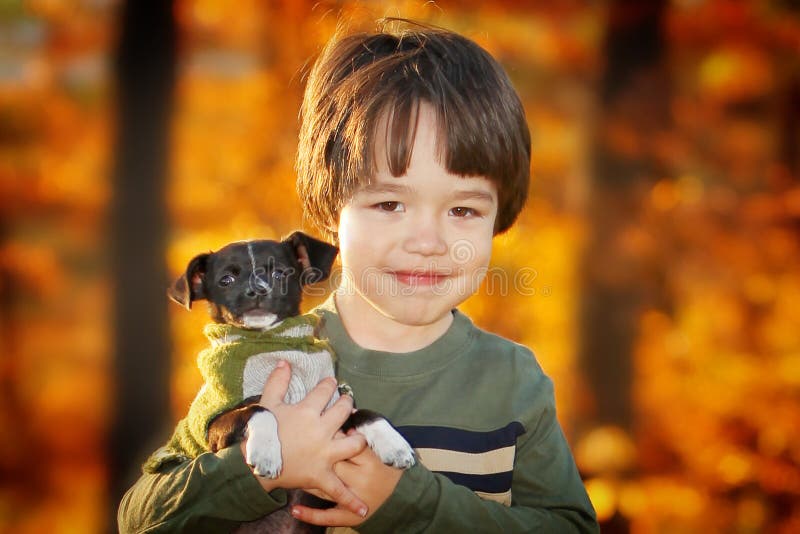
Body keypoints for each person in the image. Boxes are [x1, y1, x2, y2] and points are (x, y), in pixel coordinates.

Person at [118, 19, 599, 533]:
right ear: (330, 210)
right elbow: (139, 518)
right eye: (390, 203)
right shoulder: (267, 362)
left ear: (500, 216)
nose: (427, 240)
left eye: (463, 211)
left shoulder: (512, 381)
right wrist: (258, 471)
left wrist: (410, 502)